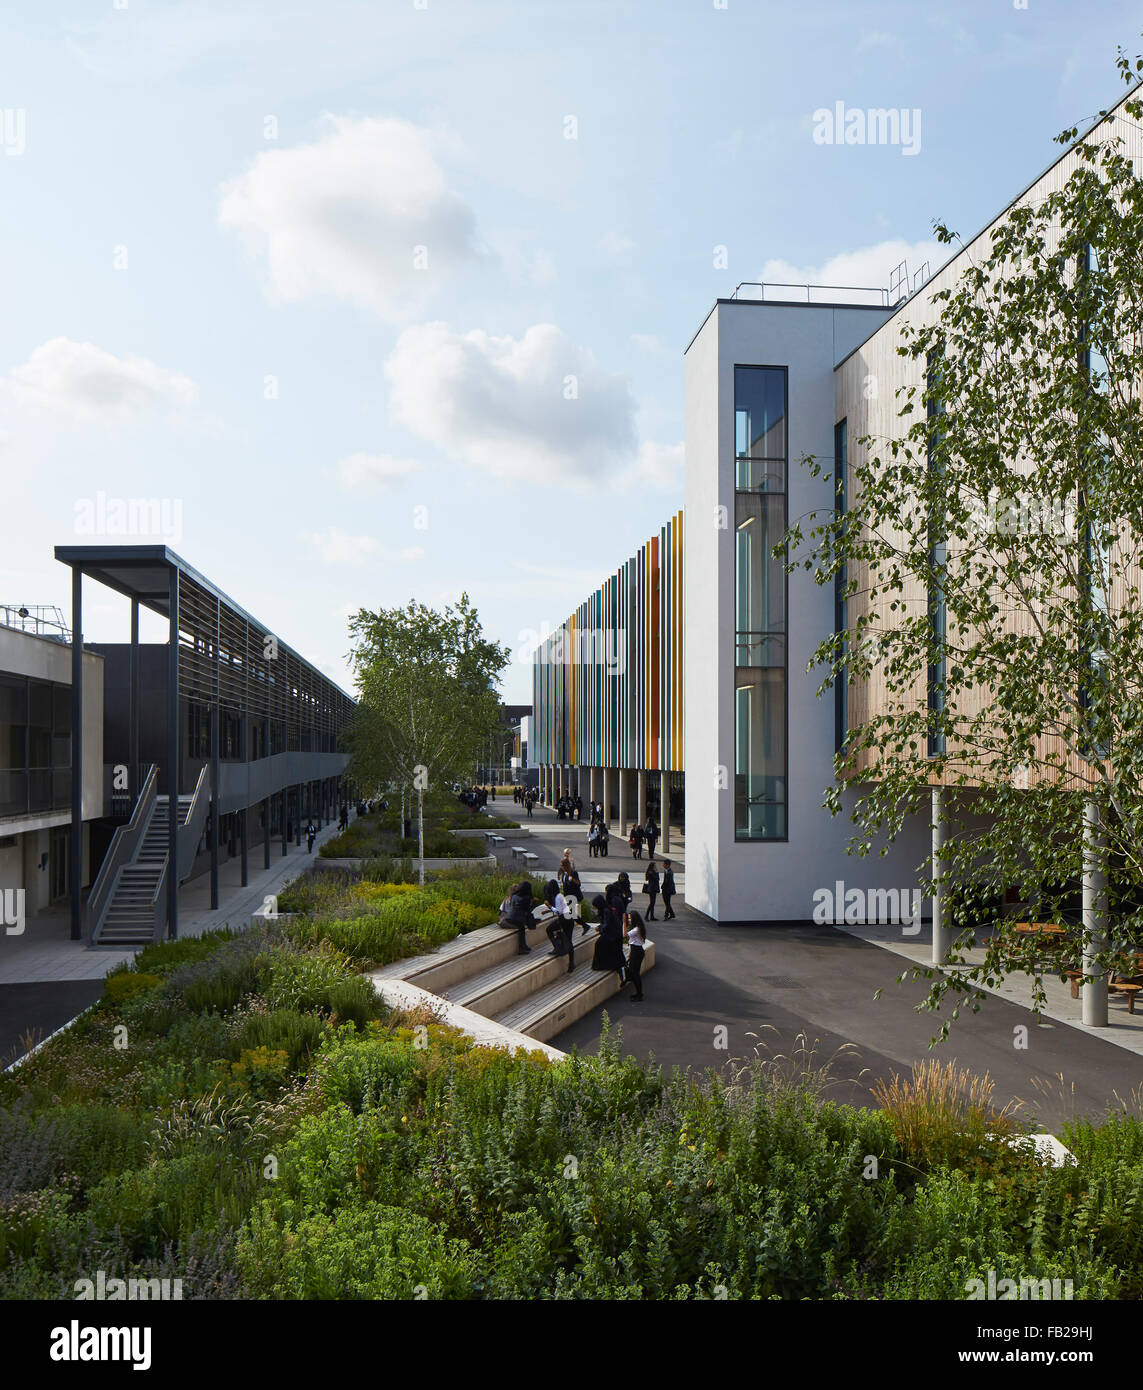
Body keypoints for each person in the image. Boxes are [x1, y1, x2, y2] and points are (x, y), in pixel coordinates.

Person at [538, 879, 576, 973]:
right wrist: (547, 910)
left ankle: (557, 948)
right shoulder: (560, 896)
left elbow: (558, 911)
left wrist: (549, 906)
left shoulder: (557, 897)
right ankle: (571, 963)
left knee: (549, 929)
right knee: (568, 940)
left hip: (564, 920)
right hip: (569, 919)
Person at [590, 893, 626, 980]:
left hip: (613, 934)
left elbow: (607, 924)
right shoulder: (605, 909)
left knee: (599, 944)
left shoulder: (606, 911)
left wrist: (600, 928)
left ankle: (600, 965)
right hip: (613, 933)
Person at [498, 880, 537, 955]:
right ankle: (521, 948)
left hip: (509, 918)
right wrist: (534, 903)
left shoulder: (514, 896)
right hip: (516, 919)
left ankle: (524, 946)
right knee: (522, 929)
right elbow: (528, 911)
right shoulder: (526, 898)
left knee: (521, 927)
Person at [625, 909, 647, 1001]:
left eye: (630, 918)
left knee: (635, 973)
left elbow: (624, 935)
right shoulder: (636, 928)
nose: (629, 920)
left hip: (637, 951)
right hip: (635, 951)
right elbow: (632, 943)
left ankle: (639, 994)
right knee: (634, 972)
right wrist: (630, 954)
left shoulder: (637, 929)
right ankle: (638, 993)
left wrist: (623, 922)